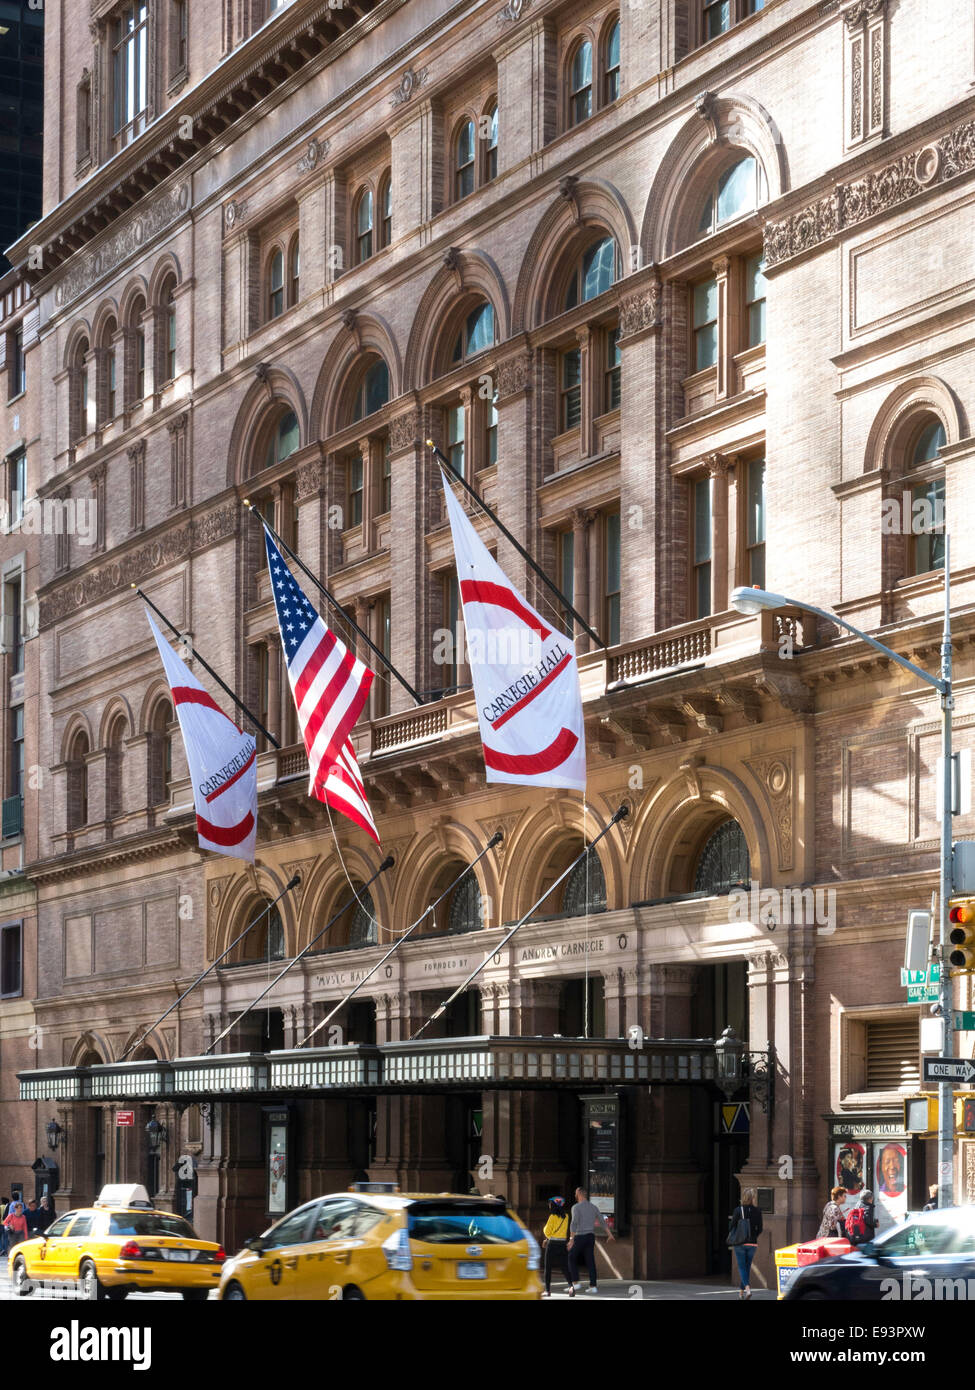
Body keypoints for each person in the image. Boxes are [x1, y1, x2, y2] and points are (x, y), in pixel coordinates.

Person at [567, 1186, 614, 1295]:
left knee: (571, 1257)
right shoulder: (593, 1207)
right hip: (590, 1237)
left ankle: (575, 1282)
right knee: (590, 1260)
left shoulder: (576, 1207)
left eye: (575, 1193)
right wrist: (610, 1235)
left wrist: (571, 1239)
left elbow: (574, 1223)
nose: (574, 1195)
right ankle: (593, 1286)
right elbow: (602, 1221)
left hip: (580, 1236)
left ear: (579, 1194)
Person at [728, 1187, 763, 1300]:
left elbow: (731, 1226)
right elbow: (760, 1229)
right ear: (753, 1198)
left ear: (743, 1197)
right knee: (747, 1268)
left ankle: (747, 1289)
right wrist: (753, 1236)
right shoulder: (758, 1211)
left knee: (742, 1267)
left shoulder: (738, 1210)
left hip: (740, 1243)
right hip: (752, 1244)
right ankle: (741, 1293)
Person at [541, 1197, 573, 1298]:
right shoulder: (566, 1216)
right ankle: (571, 1286)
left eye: (550, 1204)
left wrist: (547, 1236)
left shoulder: (552, 1217)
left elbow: (547, 1232)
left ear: (553, 1206)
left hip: (552, 1244)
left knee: (548, 1267)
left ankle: (548, 1290)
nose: (549, 1205)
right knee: (564, 1267)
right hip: (562, 1244)